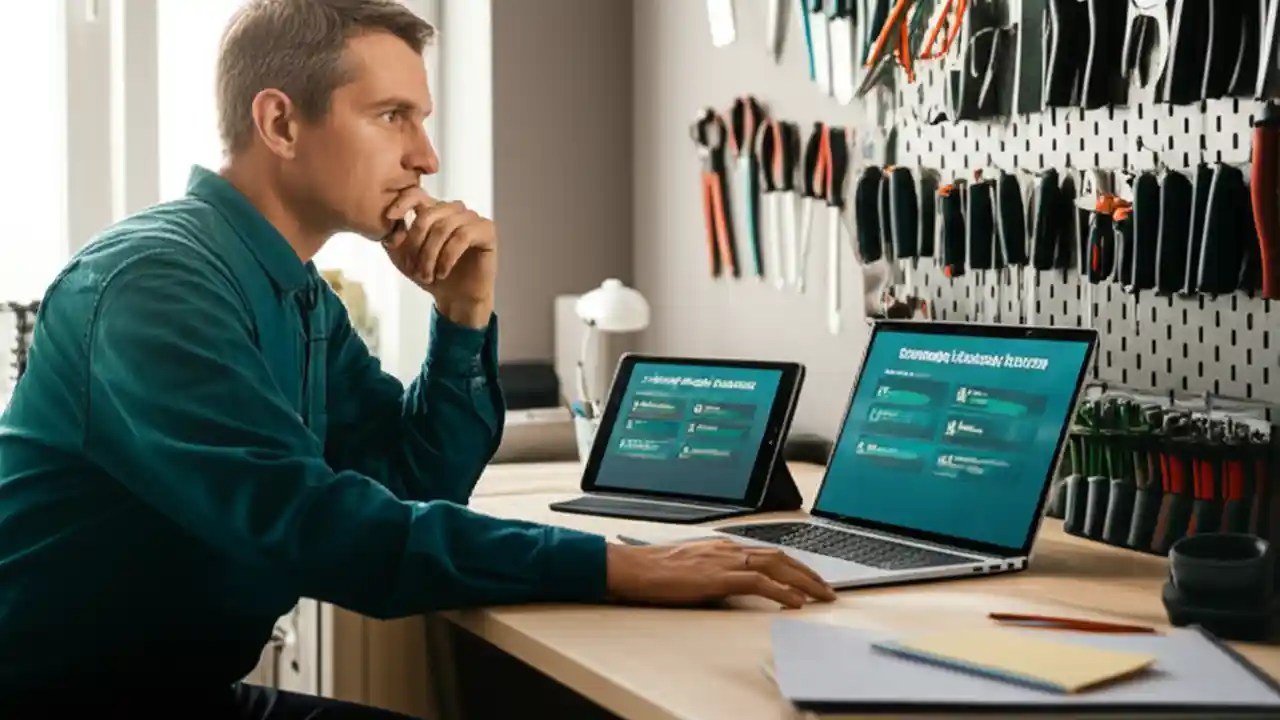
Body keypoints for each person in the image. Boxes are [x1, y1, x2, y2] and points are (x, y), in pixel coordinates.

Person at [0, 0, 834, 716]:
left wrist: (462, 320)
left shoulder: (294, 292)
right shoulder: (159, 284)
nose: (427, 157)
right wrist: (619, 564)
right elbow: (311, 525)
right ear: (281, 122)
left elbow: (412, 483)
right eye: (392, 115)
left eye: (423, 119)